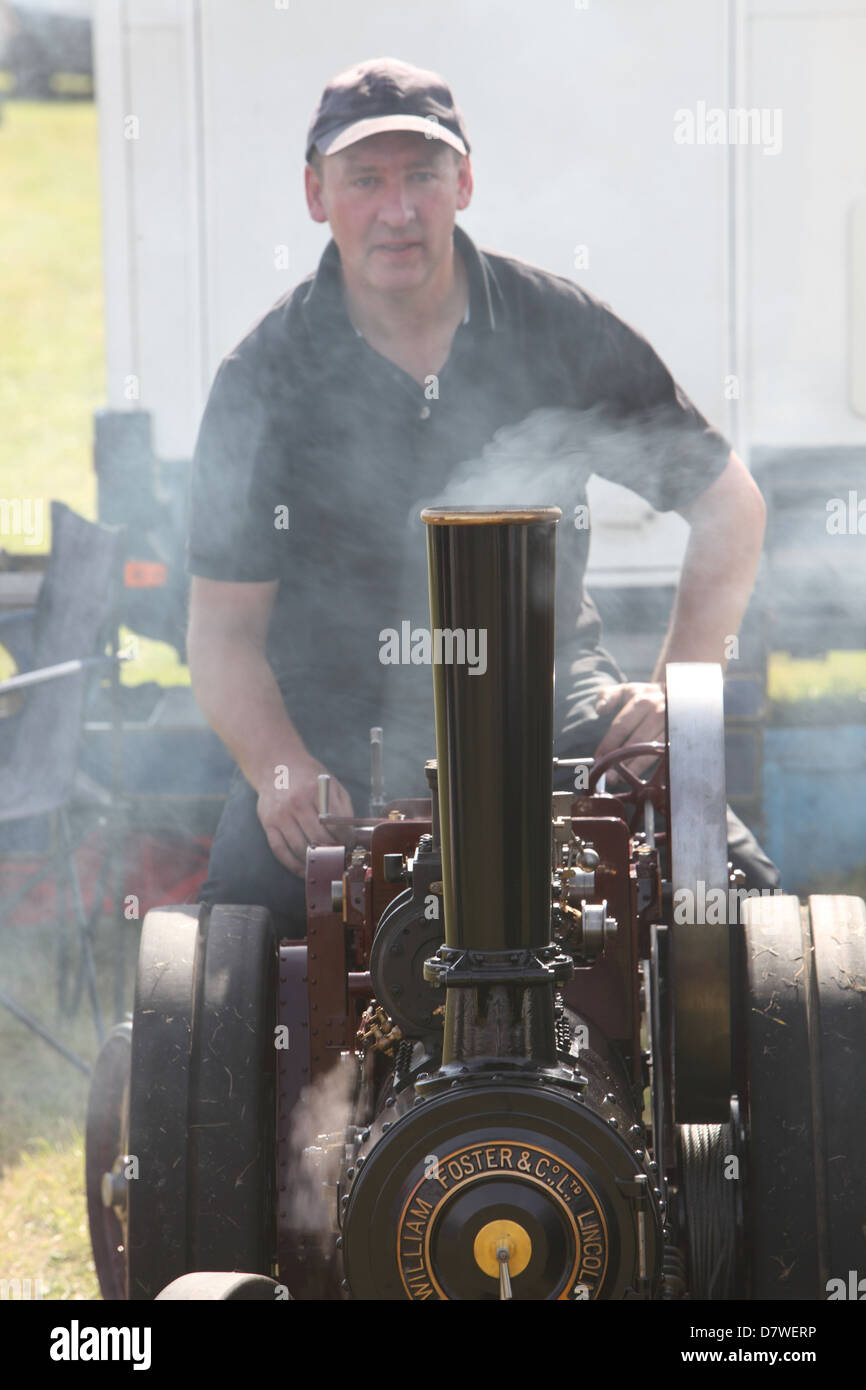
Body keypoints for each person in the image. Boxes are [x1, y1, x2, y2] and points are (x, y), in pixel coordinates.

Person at [186, 57, 778, 935]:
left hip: (554, 706)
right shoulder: (264, 377)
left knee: (736, 903)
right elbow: (222, 637)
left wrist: (673, 696)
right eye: (366, 181)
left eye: (422, 176)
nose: (398, 210)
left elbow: (730, 504)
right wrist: (280, 767)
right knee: (232, 949)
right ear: (317, 195)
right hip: (335, 724)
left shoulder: (558, 327)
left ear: (463, 181)